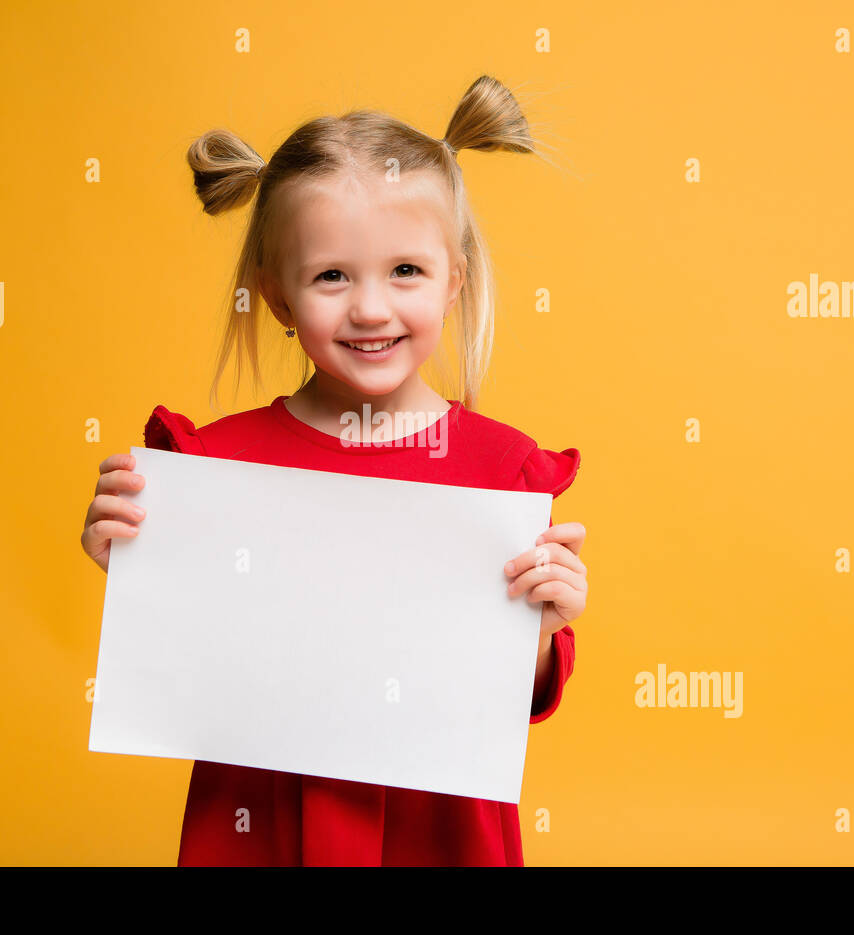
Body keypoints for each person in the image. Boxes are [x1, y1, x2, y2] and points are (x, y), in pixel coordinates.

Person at [80, 75, 589, 865]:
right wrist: (139, 563)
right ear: (277, 298)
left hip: (441, 827)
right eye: (331, 276)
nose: (370, 309)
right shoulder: (217, 465)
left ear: (455, 280)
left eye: (405, 272)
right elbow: (191, 655)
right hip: (263, 823)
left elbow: (513, 698)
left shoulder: (504, 472)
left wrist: (542, 626)